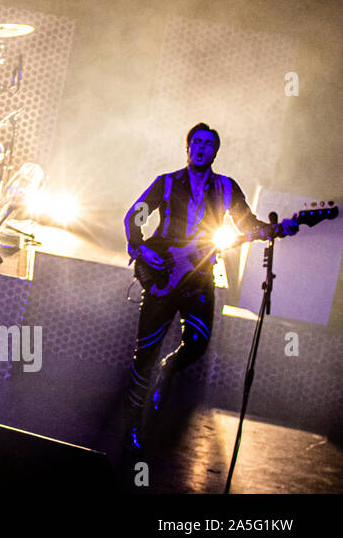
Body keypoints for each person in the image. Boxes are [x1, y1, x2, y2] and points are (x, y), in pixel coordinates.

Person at [122, 122, 297, 449]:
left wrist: (278, 229)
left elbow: (249, 226)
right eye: (196, 142)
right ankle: (132, 421)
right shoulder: (167, 183)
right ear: (187, 148)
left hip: (201, 275)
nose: (201, 148)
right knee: (145, 352)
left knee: (199, 343)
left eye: (208, 144)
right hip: (164, 274)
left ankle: (168, 370)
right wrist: (141, 247)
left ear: (215, 151)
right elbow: (134, 216)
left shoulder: (227, 188)